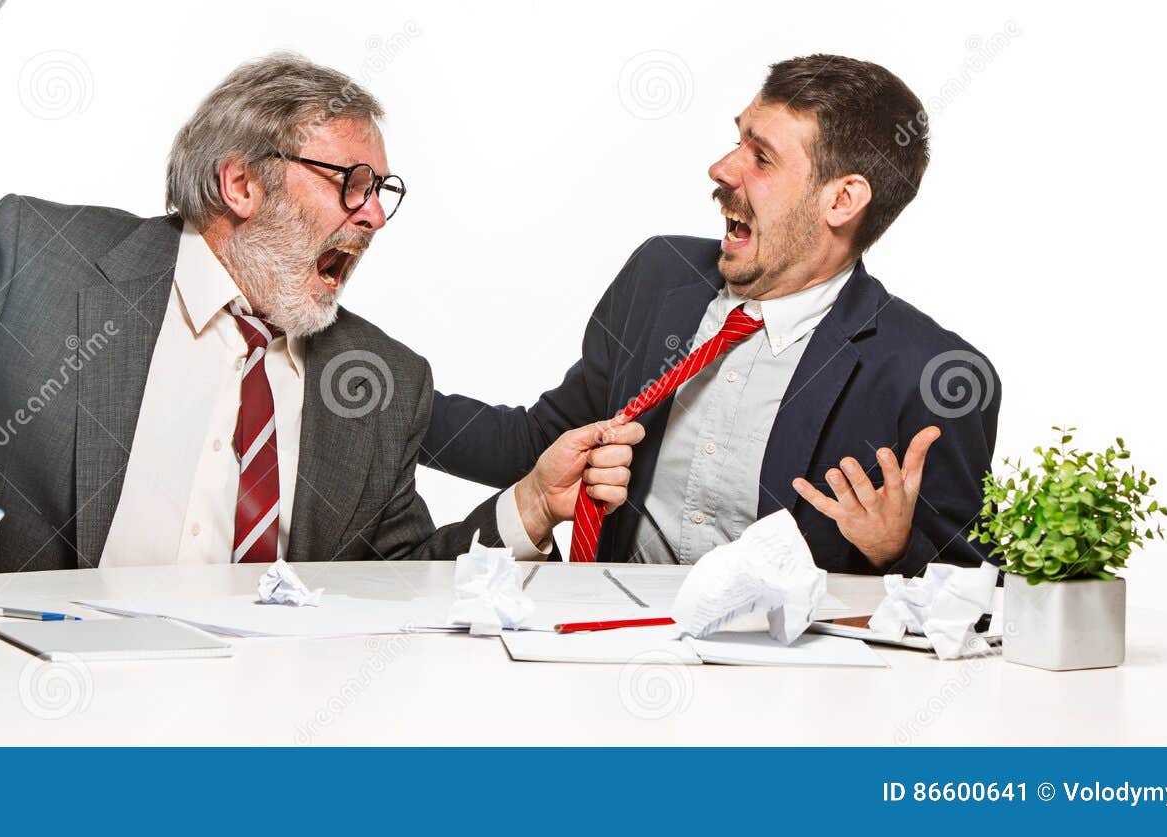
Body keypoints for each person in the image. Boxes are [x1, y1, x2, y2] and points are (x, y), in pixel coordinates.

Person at [0, 48, 637, 572]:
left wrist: (525, 507)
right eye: (353, 184)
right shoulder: (47, 267)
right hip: (29, 734)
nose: (372, 214)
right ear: (242, 182)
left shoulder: (382, 383)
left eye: (383, 192)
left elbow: (404, 589)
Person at [423, 54, 999, 575]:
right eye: (737, 142)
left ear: (842, 200)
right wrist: (366, 395)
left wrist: (895, 551)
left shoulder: (930, 375)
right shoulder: (660, 276)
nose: (722, 168)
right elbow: (543, 442)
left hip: (783, 679)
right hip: (611, 647)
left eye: (762, 157)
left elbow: (971, 602)